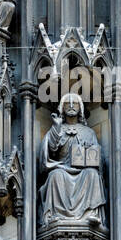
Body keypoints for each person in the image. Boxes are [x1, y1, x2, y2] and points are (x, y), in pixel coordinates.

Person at [39, 93, 106, 227]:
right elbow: (50, 151)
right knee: (54, 176)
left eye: (74, 103)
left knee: (92, 174)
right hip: (62, 168)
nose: (71, 106)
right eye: (67, 103)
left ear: (80, 108)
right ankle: (54, 215)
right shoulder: (56, 128)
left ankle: (90, 213)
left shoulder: (88, 132)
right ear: (61, 108)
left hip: (83, 172)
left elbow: (99, 159)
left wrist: (90, 152)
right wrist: (57, 128)